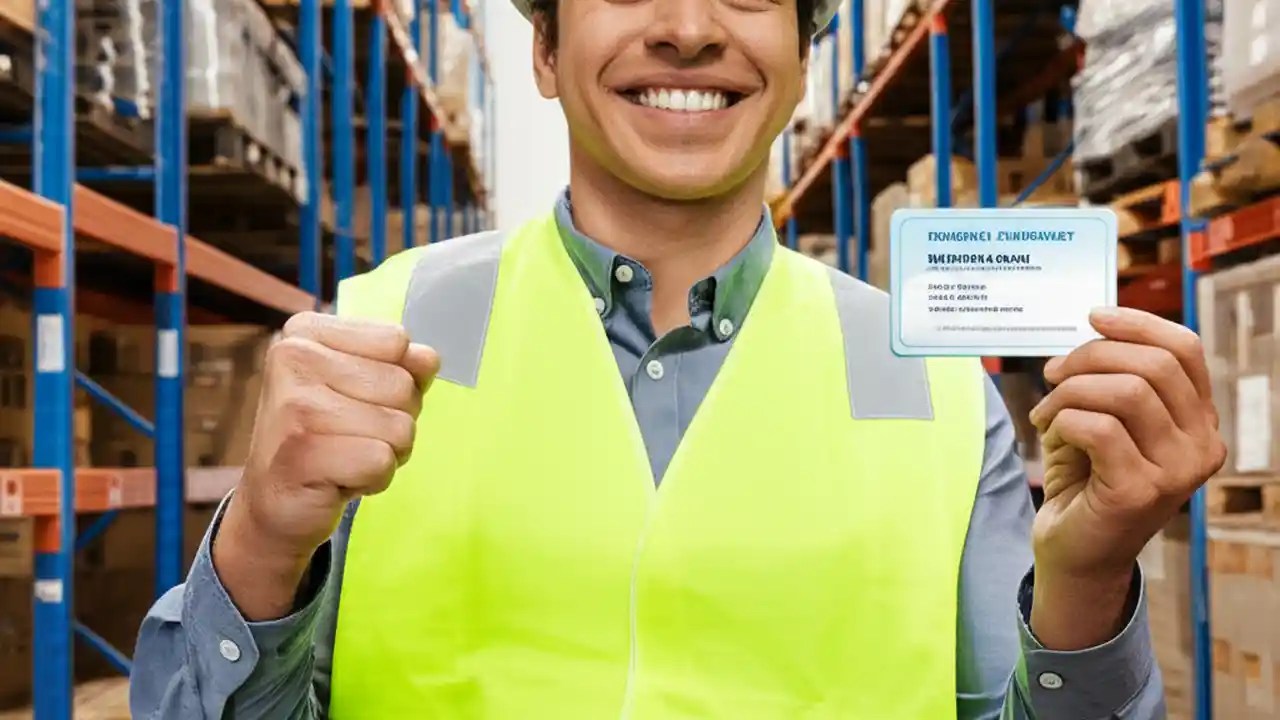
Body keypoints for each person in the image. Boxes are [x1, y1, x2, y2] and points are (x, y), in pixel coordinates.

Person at [129, 0, 1227, 714]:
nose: (691, 27)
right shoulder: (381, 330)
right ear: (547, 53)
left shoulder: (932, 385)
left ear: (802, 62)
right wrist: (264, 544)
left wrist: (1084, 578)